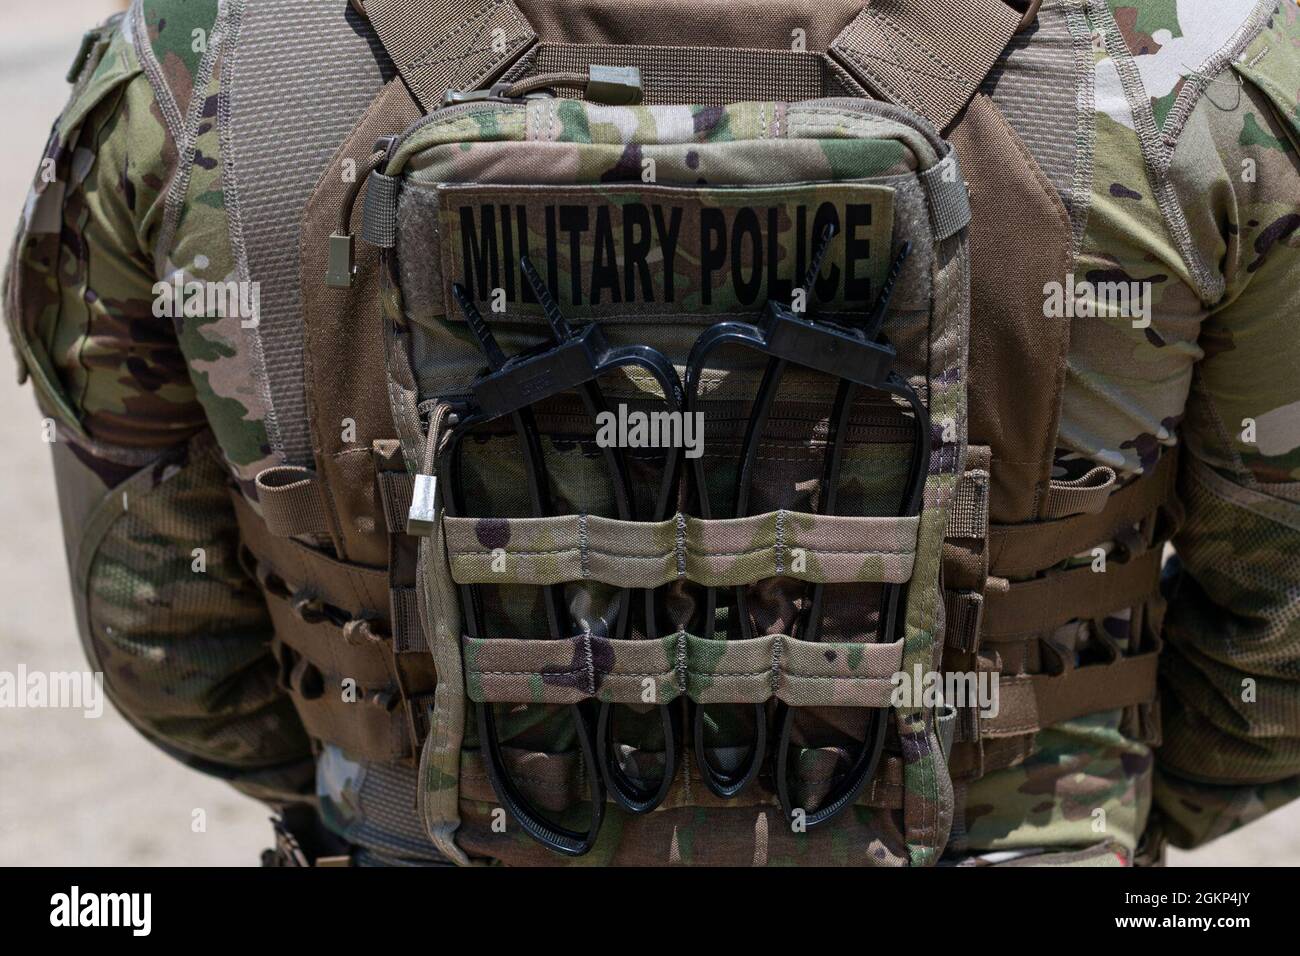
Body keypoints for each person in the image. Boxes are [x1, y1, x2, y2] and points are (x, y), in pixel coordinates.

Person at [5, 0, 1299, 866]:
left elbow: (163, 645)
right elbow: (1272, 666)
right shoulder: (1193, 73)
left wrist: (380, 753)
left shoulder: (199, 72)